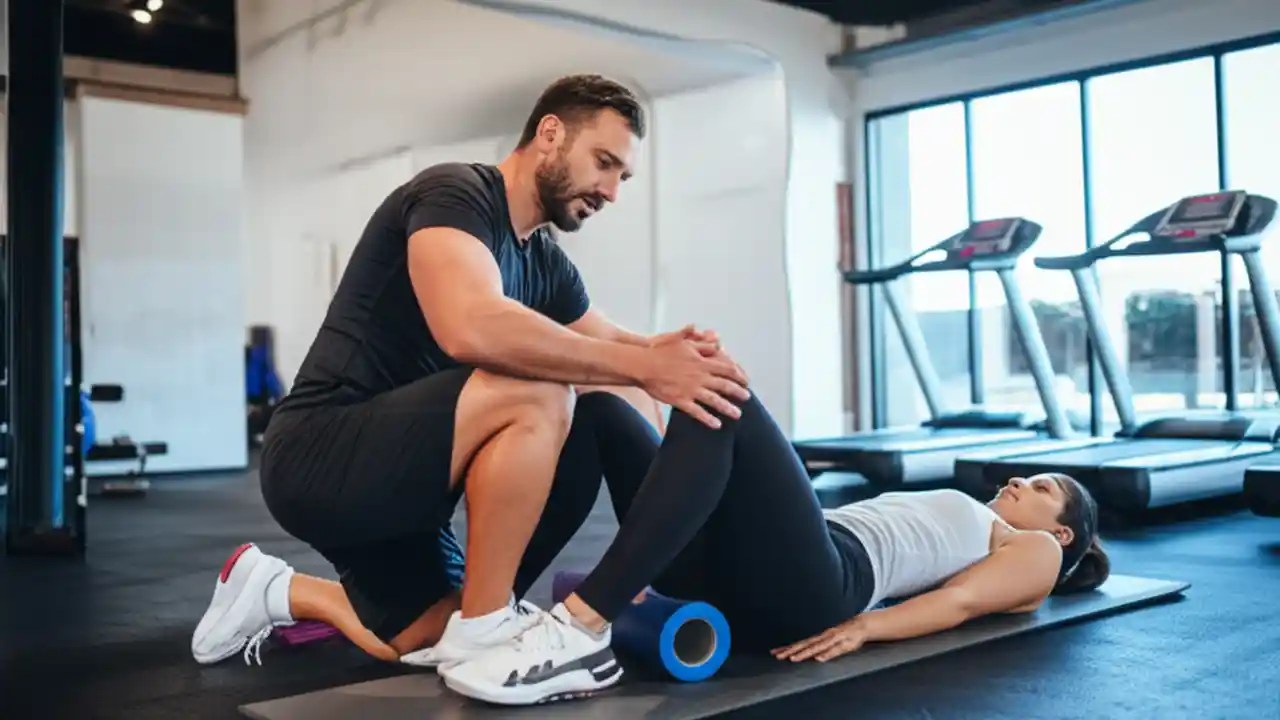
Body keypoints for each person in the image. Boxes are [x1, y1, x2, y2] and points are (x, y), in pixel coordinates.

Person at [190, 74, 749, 669]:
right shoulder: (455, 195)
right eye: (604, 163)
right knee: (539, 388)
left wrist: (646, 546)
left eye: (623, 177)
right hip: (321, 454)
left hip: (412, 493)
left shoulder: (549, 267)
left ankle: (275, 588)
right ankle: (486, 633)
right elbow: (471, 326)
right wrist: (643, 362)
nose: (611, 190)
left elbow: (617, 360)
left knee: (425, 635)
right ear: (551, 134)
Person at [437, 392, 1112, 706]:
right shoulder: (971, 511)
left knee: (729, 404)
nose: (1023, 479)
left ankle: (579, 629)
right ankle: (490, 612)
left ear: (1062, 531)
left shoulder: (1036, 550)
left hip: (825, 584)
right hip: (758, 566)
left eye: (1045, 485)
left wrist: (866, 627)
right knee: (603, 414)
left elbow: (963, 601)